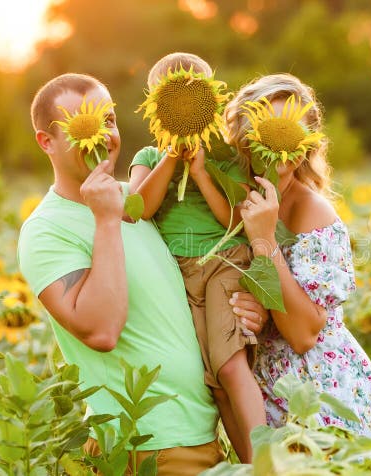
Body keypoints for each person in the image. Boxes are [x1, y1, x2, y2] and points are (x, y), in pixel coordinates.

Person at [18, 73, 225, 475]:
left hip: (199, 434)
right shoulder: (46, 230)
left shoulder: (137, 201)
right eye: (85, 126)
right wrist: (106, 221)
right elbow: (101, 330)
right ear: (47, 142)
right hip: (143, 446)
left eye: (108, 120)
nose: (104, 135)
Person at [224, 73, 371, 449]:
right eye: (266, 130)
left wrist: (264, 239)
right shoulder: (231, 196)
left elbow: (304, 334)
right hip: (266, 394)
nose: (278, 145)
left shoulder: (313, 213)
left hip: (323, 396)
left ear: (306, 145)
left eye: (290, 133)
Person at [129, 52, 265, 463]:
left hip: (224, 260)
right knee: (213, 381)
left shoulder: (225, 155)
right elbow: (137, 208)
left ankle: (269, 461)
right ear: (156, 106)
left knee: (230, 366)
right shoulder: (149, 158)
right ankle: (247, 464)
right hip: (178, 277)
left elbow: (232, 220)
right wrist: (171, 157)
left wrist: (203, 172)